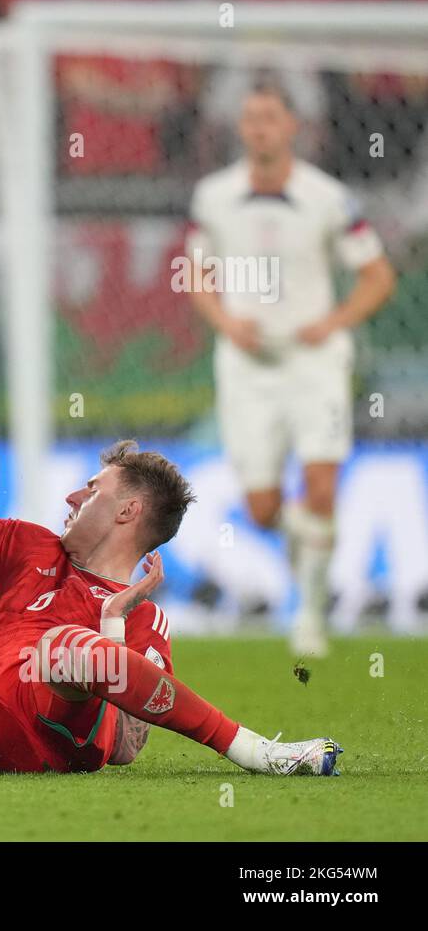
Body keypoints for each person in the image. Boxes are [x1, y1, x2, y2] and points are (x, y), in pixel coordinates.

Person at [0, 438, 342, 777]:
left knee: (65, 650)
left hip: (60, 741)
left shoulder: (143, 617)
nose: (71, 498)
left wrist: (110, 628)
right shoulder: (27, 545)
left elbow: (126, 748)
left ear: (128, 511)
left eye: (91, 489)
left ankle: (254, 752)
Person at [187, 84, 397, 656]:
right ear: (241, 129)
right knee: (260, 508)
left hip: (316, 361)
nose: (259, 128)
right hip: (247, 364)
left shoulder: (329, 197)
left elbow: (378, 275)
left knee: (322, 484)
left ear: (292, 128)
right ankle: (313, 537)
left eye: (270, 118)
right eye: (250, 118)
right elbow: (196, 273)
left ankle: (309, 615)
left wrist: (333, 323)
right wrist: (226, 323)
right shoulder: (213, 196)